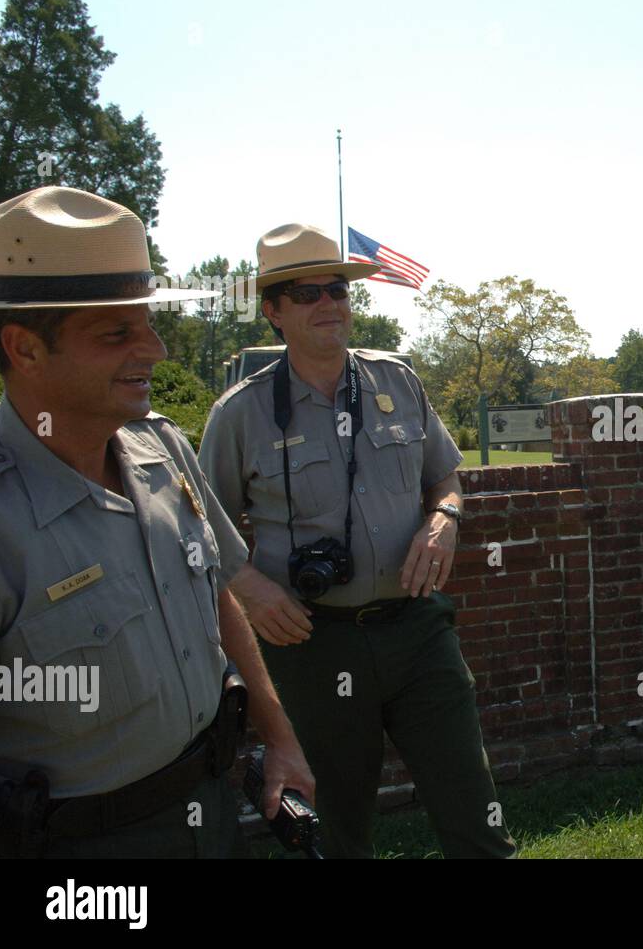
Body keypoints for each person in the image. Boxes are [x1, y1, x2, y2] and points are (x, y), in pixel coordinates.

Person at [0, 186, 313, 858]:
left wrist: (278, 736)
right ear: (24, 349)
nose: (156, 348)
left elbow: (217, 592)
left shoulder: (161, 446)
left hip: (211, 806)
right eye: (118, 333)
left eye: (148, 321)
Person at [199, 223, 514, 859]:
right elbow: (202, 528)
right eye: (305, 293)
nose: (328, 304)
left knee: (474, 810)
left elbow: (445, 477)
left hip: (417, 632)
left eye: (337, 290)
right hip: (310, 644)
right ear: (272, 310)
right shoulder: (240, 414)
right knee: (337, 828)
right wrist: (249, 585)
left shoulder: (397, 382)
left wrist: (445, 518)